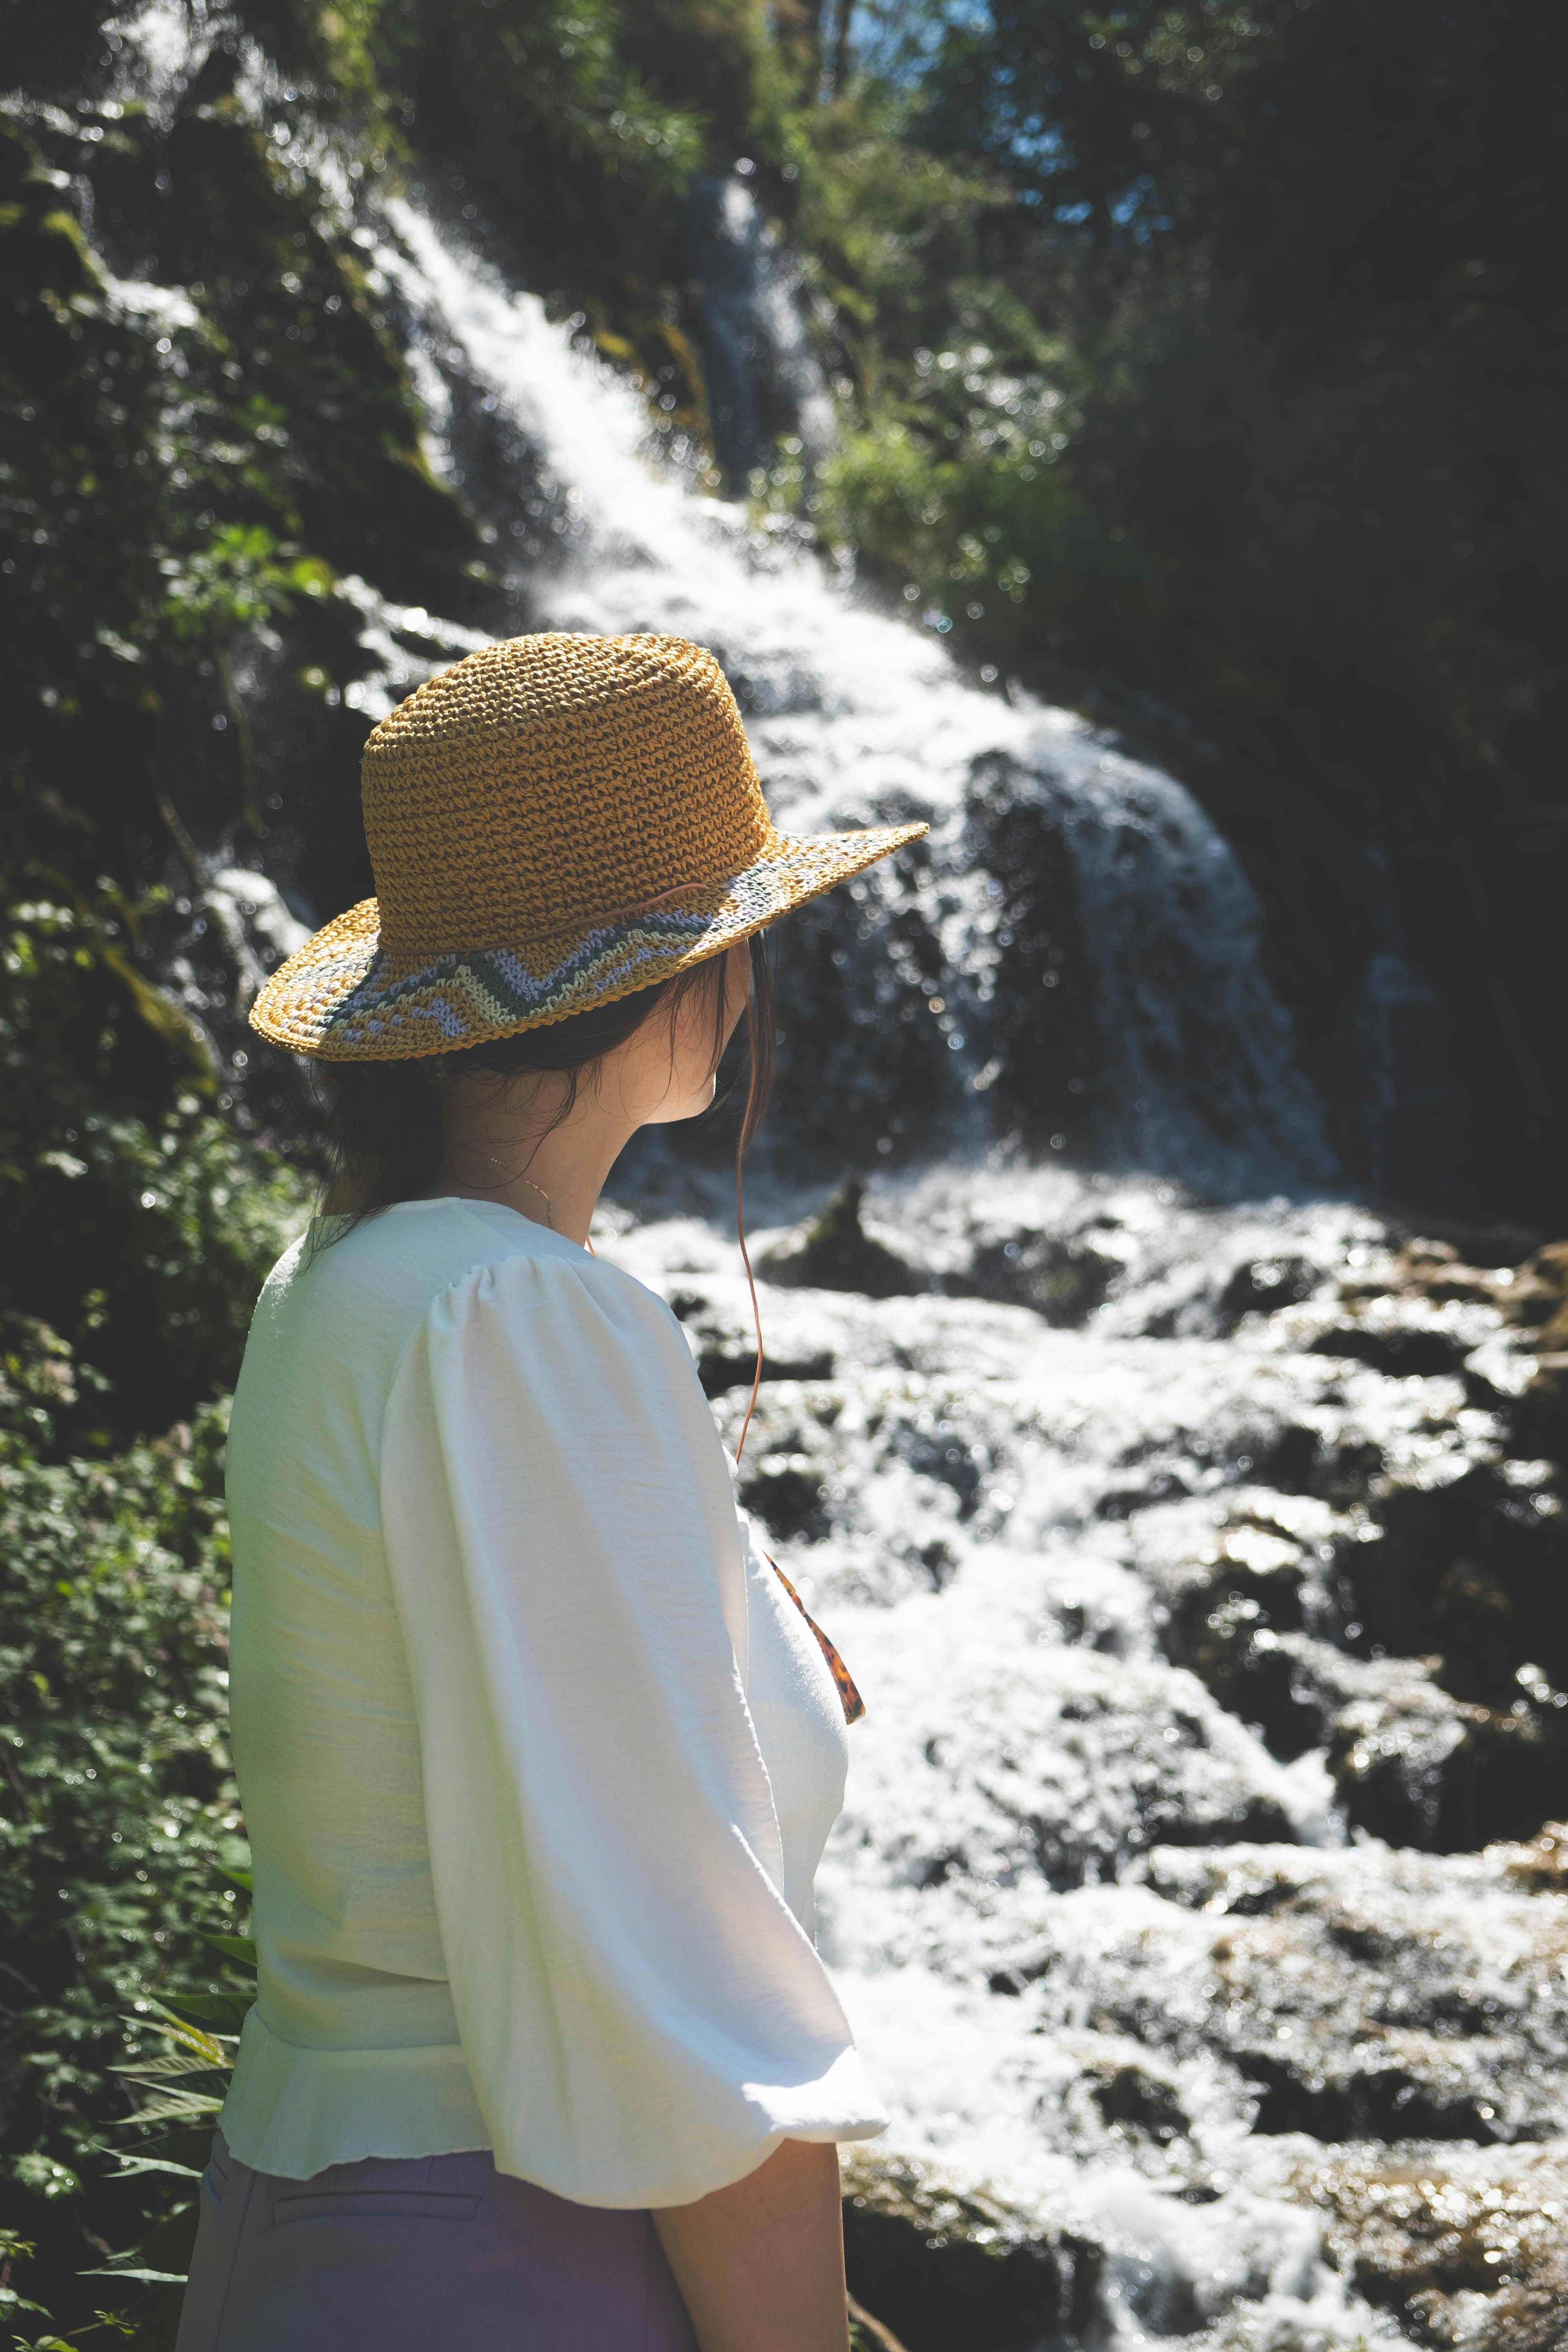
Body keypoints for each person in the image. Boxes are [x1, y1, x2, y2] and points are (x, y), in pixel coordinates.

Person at [174, 632, 927, 2352]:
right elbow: (667, 1987)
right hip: (506, 2259)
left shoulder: (354, 1275)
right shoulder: (516, 1316)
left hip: (346, 2225)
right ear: (681, 975)